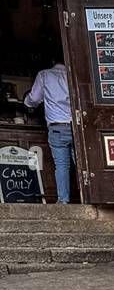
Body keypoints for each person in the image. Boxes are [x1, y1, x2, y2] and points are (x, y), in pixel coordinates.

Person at [24, 51, 73, 204]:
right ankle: (90, 196)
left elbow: (34, 98)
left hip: (57, 127)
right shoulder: (73, 75)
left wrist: (27, 102)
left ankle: (63, 200)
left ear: (52, 60)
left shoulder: (44, 75)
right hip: (77, 127)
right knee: (83, 164)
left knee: (62, 165)